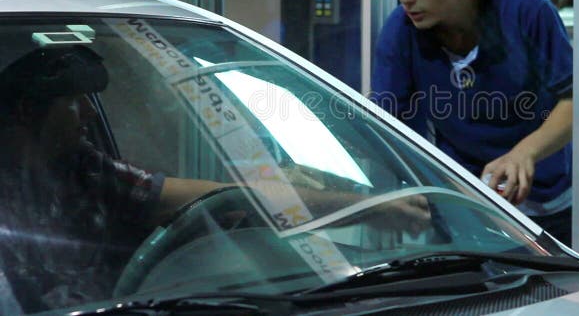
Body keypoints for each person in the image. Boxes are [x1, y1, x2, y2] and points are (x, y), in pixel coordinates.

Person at [0, 45, 429, 312]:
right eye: (74, 102)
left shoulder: (86, 170)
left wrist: (367, 207)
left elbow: (228, 197)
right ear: (23, 112)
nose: (90, 115)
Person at [367, 0, 573, 245]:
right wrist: (407, 186)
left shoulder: (524, 8)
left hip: (547, 201)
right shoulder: (399, 32)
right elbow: (395, 129)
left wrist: (525, 153)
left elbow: (574, 101)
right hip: (466, 203)